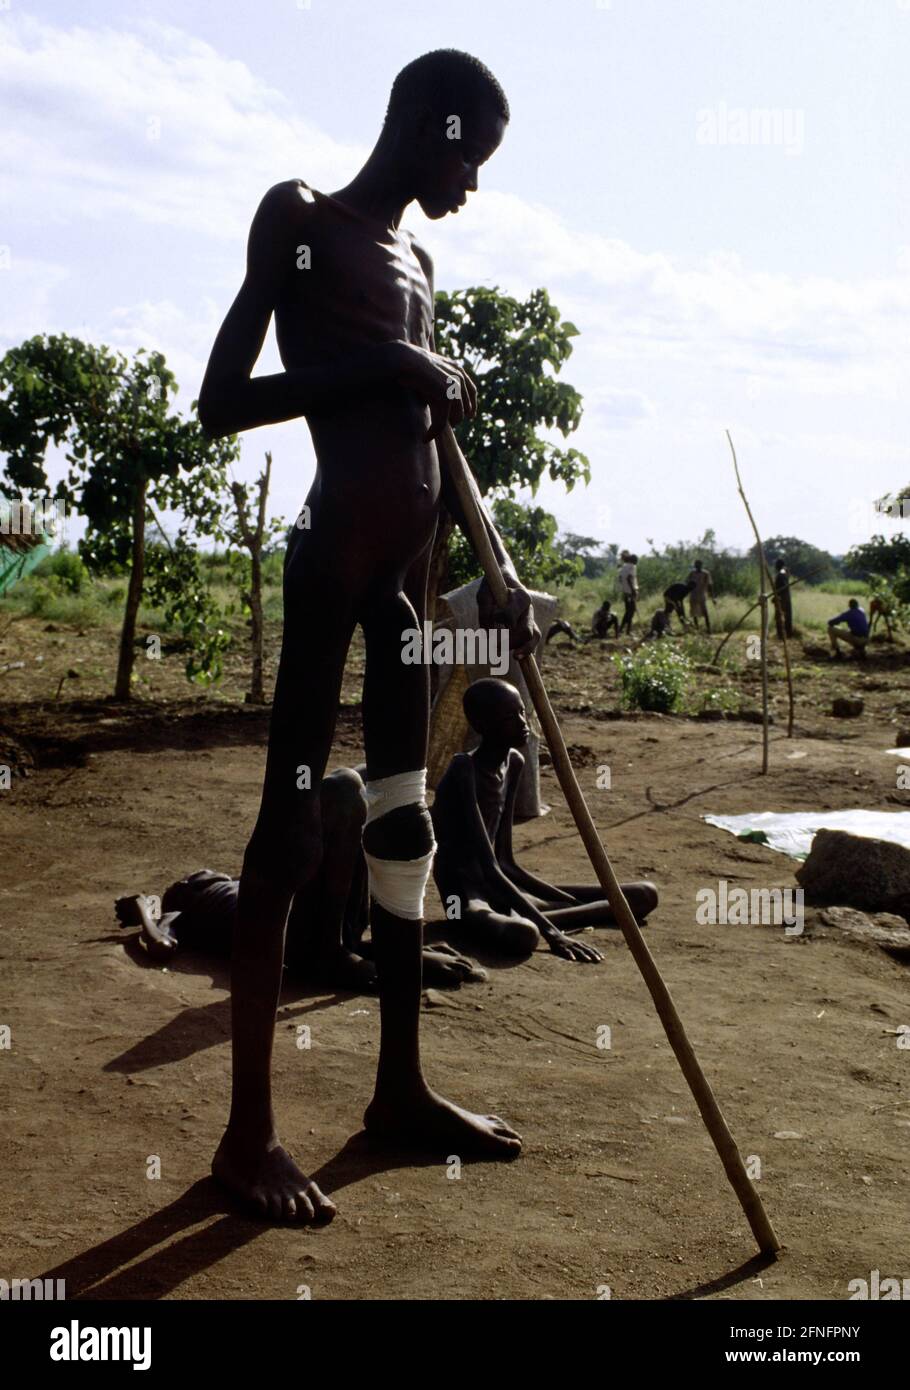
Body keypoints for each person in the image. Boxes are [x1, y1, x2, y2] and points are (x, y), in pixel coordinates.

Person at [198, 50, 538, 1223]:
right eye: (467, 156)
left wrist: (489, 575)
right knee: (289, 828)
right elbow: (220, 400)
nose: (469, 185)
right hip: (328, 576)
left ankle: (398, 1090)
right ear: (423, 124)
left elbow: (429, 454)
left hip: (402, 598)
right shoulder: (303, 221)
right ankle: (247, 1139)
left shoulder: (426, 266)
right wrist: (382, 366)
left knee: (403, 828)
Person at [115, 767, 485, 991]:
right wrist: (145, 907)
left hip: (317, 931)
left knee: (365, 781)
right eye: (200, 877)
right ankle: (334, 955)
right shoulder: (184, 911)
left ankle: (374, 950)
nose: (209, 873)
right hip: (297, 941)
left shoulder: (239, 887)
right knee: (342, 787)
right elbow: (161, 947)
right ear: (190, 888)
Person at [432, 678, 658, 960]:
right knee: (525, 935)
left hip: (502, 888)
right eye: (508, 717)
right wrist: (553, 933)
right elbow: (488, 867)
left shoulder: (514, 762)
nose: (521, 723)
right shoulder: (463, 769)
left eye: (521, 712)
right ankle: (542, 918)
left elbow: (505, 861)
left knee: (644, 894)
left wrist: (565, 900)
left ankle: (545, 913)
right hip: (465, 899)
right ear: (481, 724)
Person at [686, 559, 714, 632]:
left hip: (701, 596)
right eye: (696, 564)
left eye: (699, 564)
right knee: (694, 613)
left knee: (705, 613)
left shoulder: (705, 574)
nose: (697, 566)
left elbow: (709, 586)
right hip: (693, 595)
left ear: (701, 565)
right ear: (694, 565)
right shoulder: (691, 573)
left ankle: (708, 629)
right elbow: (688, 584)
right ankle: (697, 629)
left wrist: (712, 597)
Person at [618, 553, 639, 634]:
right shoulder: (632, 567)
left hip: (625, 592)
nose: (637, 562)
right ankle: (625, 629)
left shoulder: (624, 566)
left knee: (628, 611)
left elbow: (620, 579)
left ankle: (626, 630)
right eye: (636, 560)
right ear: (633, 560)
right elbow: (629, 578)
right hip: (630, 592)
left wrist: (625, 588)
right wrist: (633, 590)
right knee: (631, 611)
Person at [773, 560, 794, 639]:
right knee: (786, 616)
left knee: (780, 616)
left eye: (776, 565)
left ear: (778, 565)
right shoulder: (784, 572)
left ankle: (781, 635)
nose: (775, 567)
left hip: (782, 599)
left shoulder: (781, 574)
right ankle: (787, 634)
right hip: (785, 597)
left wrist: (777, 597)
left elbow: (783, 587)